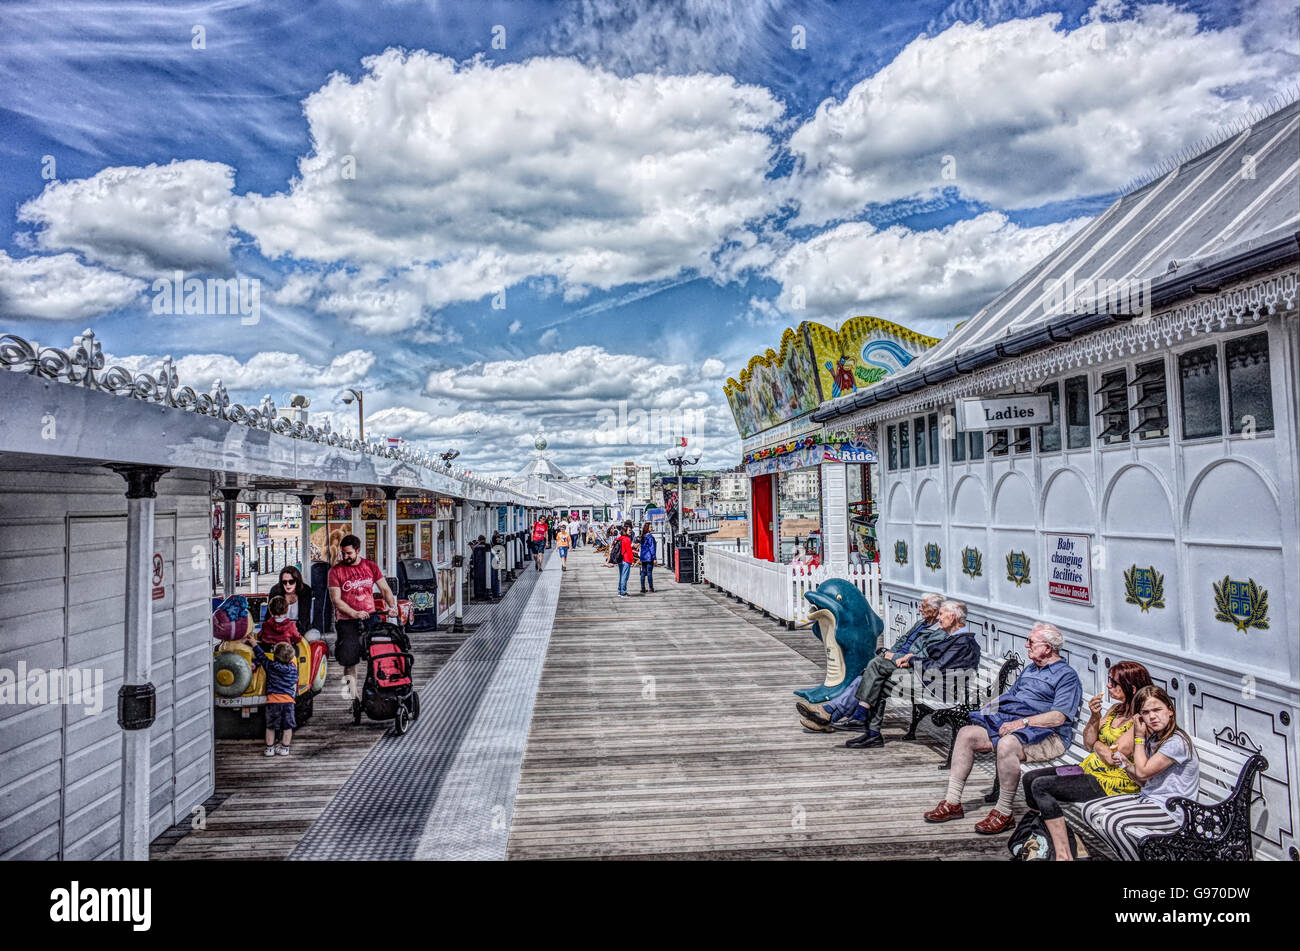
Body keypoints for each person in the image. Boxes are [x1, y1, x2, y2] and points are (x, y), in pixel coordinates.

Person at [923, 621, 1083, 834]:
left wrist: (1022, 723)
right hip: (1015, 725)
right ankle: (952, 802)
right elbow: (1010, 696)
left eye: (1031, 642)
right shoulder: (1031, 669)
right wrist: (988, 709)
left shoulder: (1066, 676)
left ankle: (1004, 811)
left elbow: (1059, 716)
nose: (1027, 645)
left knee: (1007, 744)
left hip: (1048, 735)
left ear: (1047, 647)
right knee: (966, 733)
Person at [1019, 661, 1153, 859]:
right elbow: (1089, 742)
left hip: (1112, 782)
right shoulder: (1115, 710)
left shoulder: (1140, 720)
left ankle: (1064, 854)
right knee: (1030, 778)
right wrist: (1095, 716)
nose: (1108, 686)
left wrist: (1098, 745)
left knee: (1041, 786)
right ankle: (1045, 834)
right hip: (1087, 769)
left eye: (1113, 682)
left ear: (1132, 688)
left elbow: (1112, 757)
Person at [1081, 685, 1201, 861]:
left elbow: (1143, 772)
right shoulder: (1153, 738)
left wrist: (1138, 736)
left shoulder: (1176, 742)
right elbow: (1142, 780)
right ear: (1139, 716)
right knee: (1089, 810)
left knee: (1112, 822)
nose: (1152, 716)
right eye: (1146, 712)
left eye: (1157, 710)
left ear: (1170, 711)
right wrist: (1124, 763)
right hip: (1149, 799)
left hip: (1173, 809)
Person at [797, 592, 943, 732]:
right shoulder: (921, 623)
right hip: (893, 662)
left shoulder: (939, 633)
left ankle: (827, 713)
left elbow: (920, 656)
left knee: (867, 678)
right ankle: (826, 718)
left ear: (935, 610)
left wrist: (892, 656)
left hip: (907, 669)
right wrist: (888, 653)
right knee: (864, 678)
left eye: (924, 607)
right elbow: (903, 640)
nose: (920, 608)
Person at [842, 599, 976, 749]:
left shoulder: (964, 642)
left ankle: (863, 716)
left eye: (942, 614)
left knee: (878, 670)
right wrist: (912, 660)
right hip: (930, 681)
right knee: (879, 679)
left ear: (952, 617)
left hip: (940, 689)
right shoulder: (955, 638)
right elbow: (933, 661)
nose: (938, 618)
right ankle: (872, 733)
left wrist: (912, 659)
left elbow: (936, 668)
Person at [327, 534, 396, 700]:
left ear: (358, 551)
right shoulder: (335, 571)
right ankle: (352, 697)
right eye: (343, 553)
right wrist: (354, 613)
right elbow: (336, 600)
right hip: (347, 621)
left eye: (349, 553)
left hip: (371, 617)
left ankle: (377, 690)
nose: (346, 557)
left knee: (378, 655)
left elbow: (385, 589)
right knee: (349, 660)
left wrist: (392, 606)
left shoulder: (370, 566)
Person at [245, 636, 299, 756]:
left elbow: (261, 656)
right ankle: (285, 748)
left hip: (273, 701)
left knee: (270, 726)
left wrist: (254, 643)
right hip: (288, 702)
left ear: (275, 656)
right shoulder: (293, 669)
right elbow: (295, 680)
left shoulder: (271, 666)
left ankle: (270, 748)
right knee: (287, 726)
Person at [267, 565, 313, 637]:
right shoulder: (275, 591)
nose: (288, 585)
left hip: (299, 631)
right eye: (284, 582)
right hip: (278, 630)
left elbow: (305, 618)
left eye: (291, 581)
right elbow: (269, 615)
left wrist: (298, 634)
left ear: (297, 581)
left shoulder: (306, 591)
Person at [609, 522, 635, 598]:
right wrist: (632, 561)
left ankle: (620, 591)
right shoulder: (627, 539)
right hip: (626, 560)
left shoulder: (620, 538)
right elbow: (629, 551)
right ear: (625, 531)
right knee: (625, 577)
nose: (631, 532)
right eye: (629, 530)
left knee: (621, 576)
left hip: (620, 559)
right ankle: (623, 592)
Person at [638, 522, 657, 593]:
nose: (652, 528)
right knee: (649, 573)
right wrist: (654, 558)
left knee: (643, 572)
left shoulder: (643, 536)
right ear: (648, 529)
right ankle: (651, 588)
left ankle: (643, 588)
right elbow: (652, 548)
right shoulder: (650, 537)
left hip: (643, 557)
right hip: (649, 557)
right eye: (651, 527)